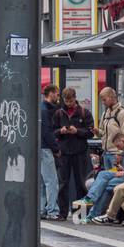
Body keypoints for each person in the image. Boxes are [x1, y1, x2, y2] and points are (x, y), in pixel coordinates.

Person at [53, 87, 95, 217]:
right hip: (64, 152)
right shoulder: (59, 113)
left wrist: (77, 131)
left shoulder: (84, 113)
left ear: (75, 98)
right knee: (63, 183)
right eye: (66, 101)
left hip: (80, 152)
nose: (68, 104)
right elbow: (52, 131)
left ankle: (80, 214)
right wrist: (61, 131)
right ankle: (62, 213)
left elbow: (90, 132)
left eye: (70, 101)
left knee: (80, 183)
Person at [74, 133, 124, 221]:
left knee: (106, 185)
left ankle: (92, 211)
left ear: (123, 140)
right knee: (102, 174)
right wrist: (122, 169)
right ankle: (90, 202)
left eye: (118, 146)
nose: (118, 149)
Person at [96, 87, 124, 168]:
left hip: (116, 154)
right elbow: (102, 133)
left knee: (117, 178)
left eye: (104, 99)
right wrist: (97, 131)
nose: (103, 102)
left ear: (111, 97)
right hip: (106, 153)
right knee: (109, 177)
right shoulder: (105, 113)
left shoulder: (123, 113)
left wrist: (120, 153)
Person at [39, 84, 61, 220]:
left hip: (39, 147)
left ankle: (42, 209)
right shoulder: (46, 111)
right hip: (46, 148)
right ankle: (52, 210)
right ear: (51, 93)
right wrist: (56, 148)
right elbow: (47, 132)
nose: (58, 97)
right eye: (57, 94)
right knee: (52, 181)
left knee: (42, 182)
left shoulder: (40, 108)